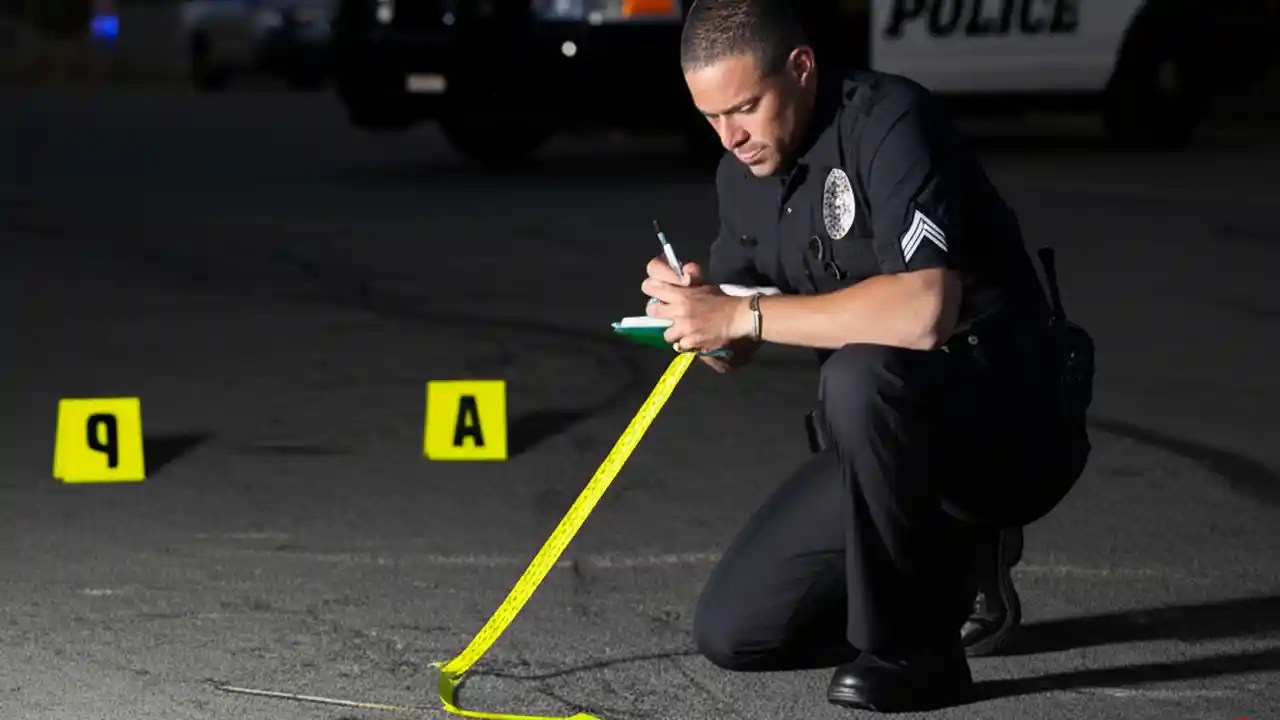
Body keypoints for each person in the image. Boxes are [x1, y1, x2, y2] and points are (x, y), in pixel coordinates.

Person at [639, 0, 1093, 712]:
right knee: (736, 635)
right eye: (711, 118)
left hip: (1010, 424)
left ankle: (917, 651)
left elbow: (923, 313)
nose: (730, 136)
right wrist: (697, 318)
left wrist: (743, 312)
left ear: (801, 66)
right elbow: (736, 349)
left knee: (861, 371)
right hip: (884, 450)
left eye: (746, 107)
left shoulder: (891, 122)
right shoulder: (744, 174)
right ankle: (954, 577)